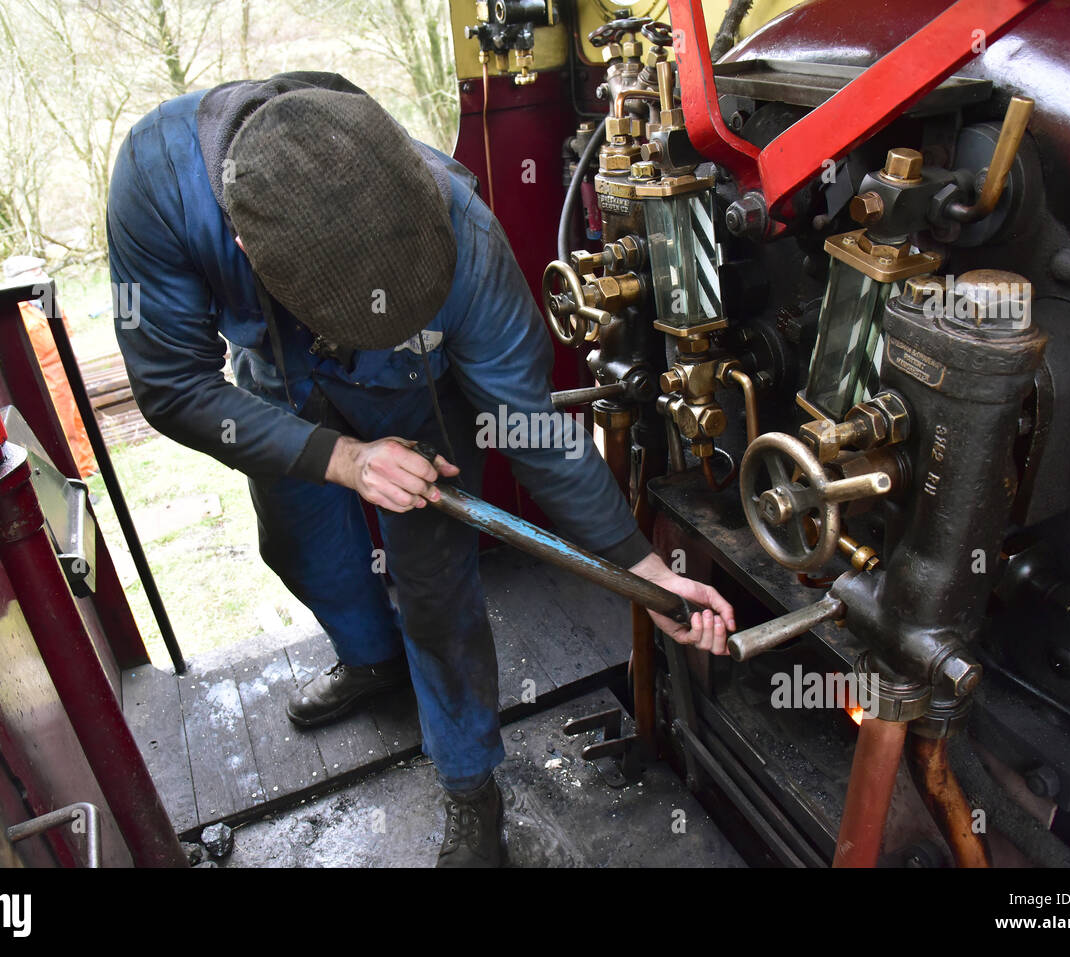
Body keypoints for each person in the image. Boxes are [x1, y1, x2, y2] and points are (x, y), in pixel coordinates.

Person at [107, 72, 734, 867]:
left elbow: (531, 426)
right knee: (297, 542)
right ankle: (371, 658)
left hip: (414, 399)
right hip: (278, 385)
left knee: (439, 594)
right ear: (242, 246)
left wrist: (645, 567)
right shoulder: (158, 182)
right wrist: (339, 459)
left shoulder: (465, 234)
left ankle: (473, 787)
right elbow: (170, 386)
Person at [3, 255, 97, 478]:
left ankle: (87, 466)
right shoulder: (16, 311)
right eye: (36, 273)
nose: (43, 276)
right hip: (47, 378)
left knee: (79, 419)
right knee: (64, 428)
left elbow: (65, 329)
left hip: (66, 369)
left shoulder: (46, 298)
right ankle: (77, 475)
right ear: (21, 279)